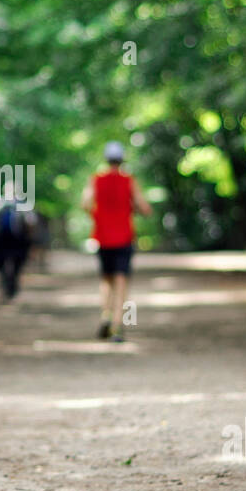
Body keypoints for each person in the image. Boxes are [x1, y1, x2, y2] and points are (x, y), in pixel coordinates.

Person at [81, 140, 152, 342]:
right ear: (122, 159)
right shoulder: (129, 180)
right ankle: (118, 325)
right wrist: (134, 209)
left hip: (102, 236)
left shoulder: (95, 179)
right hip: (123, 237)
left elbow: (85, 203)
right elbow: (144, 207)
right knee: (121, 280)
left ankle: (106, 315)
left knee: (106, 279)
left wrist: (97, 216)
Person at [0, 185, 35, 300]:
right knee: (17, 262)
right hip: (18, 239)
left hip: (1, 238)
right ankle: (12, 284)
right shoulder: (23, 203)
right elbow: (31, 223)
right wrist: (31, 239)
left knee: (2, 262)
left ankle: (7, 284)